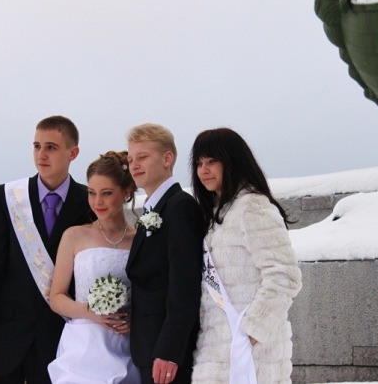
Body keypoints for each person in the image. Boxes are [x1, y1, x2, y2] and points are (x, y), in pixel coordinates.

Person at [0, 115, 94, 383]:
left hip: (62, 341)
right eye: (37, 146)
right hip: (5, 340)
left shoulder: (90, 202)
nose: (41, 155)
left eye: (51, 147)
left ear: (73, 153)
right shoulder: (6, 198)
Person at [189, 127, 303, 384]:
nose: (203, 170)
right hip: (215, 348)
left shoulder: (253, 207)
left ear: (232, 161)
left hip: (252, 353)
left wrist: (251, 331)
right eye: (199, 163)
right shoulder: (215, 215)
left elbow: (284, 276)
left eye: (212, 161)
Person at [47, 150, 141, 384]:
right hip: (83, 346)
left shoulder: (140, 240)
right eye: (92, 193)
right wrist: (89, 311)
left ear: (126, 192)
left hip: (128, 344)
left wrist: (135, 317)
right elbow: (56, 297)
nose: (97, 202)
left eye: (106, 193)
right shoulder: (74, 236)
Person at [126, 123, 206, 384]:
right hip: (147, 346)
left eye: (142, 157)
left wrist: (169, 351)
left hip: (166, 353)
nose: (134, 165)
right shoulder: (153, 209)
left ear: (167, 158)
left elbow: (185, 285)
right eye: (130, 159)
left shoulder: (180, 207)